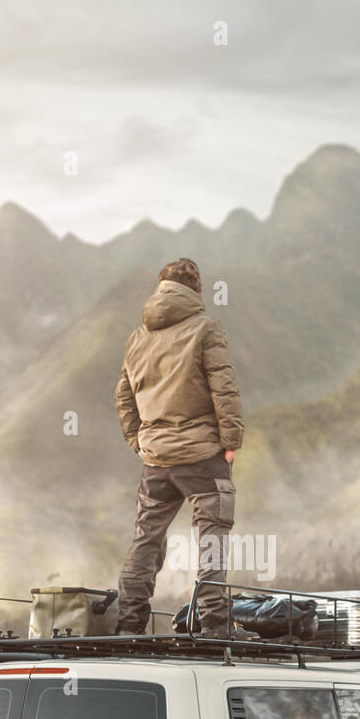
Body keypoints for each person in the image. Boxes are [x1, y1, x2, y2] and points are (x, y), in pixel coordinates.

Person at [115, 257, 244, 637]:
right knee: (212, 538)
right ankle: (215, 624)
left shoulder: (137, 337)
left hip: (155, 460)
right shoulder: (206, 328)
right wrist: (231, 442)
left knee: (146, 539)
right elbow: (224, 389)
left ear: (161, 287)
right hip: (203, 455)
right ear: (196, 289)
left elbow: (123, 396)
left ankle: (128, 623)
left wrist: (140, 440)